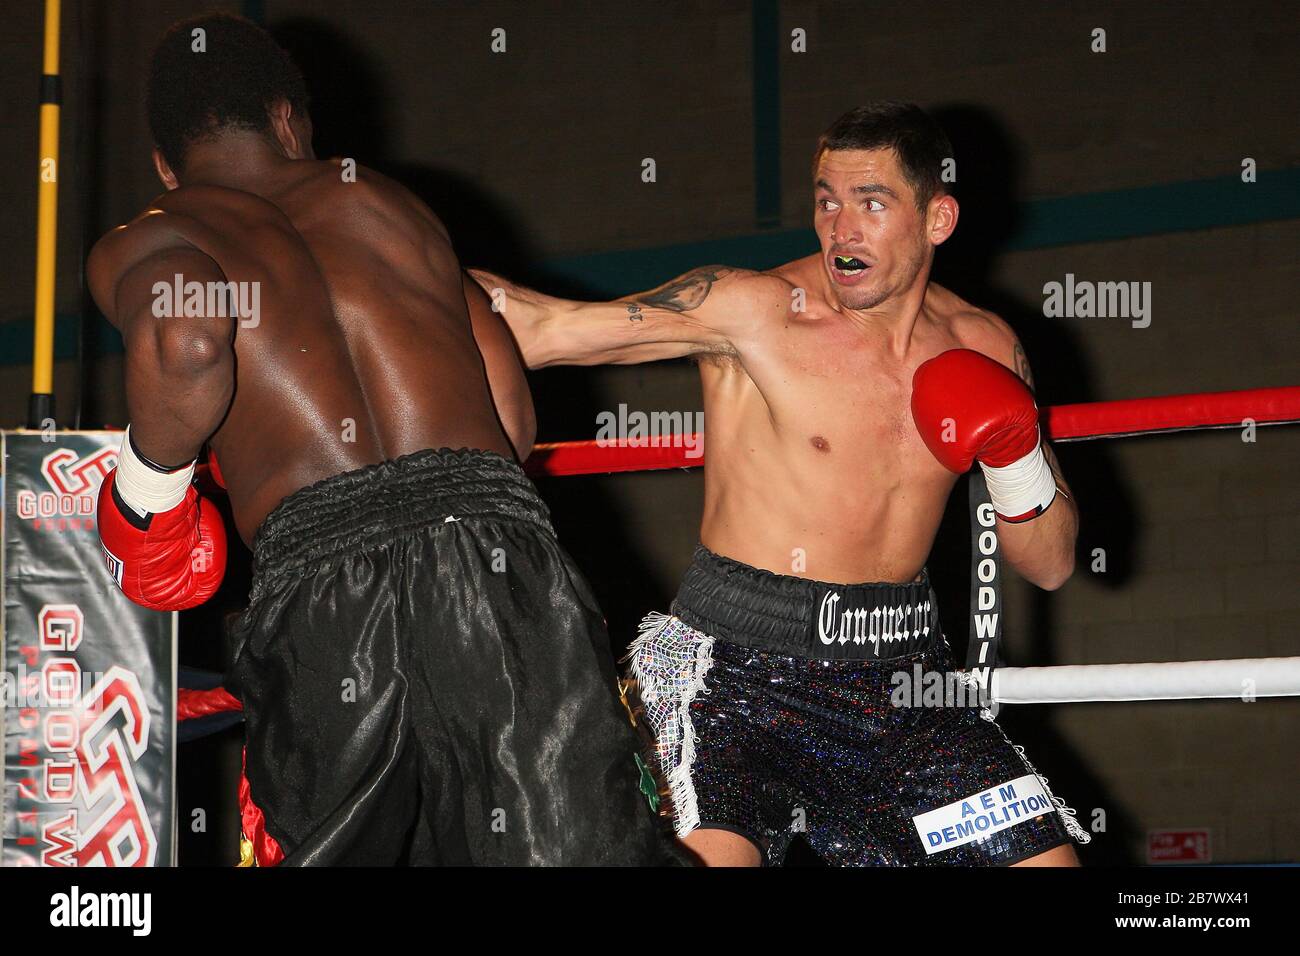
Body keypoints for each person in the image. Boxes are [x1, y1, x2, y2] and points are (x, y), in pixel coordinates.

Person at [89, 12, 674, 866]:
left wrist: (146, 498)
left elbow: (185, 341)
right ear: (291, 119)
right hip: (498, 553)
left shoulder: (149, 232)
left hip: (330, 593)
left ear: (164, 165)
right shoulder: (388, 203)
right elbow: (512, 416)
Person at [475, 102, 1088, 866]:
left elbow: (1053, 562)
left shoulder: (988, 346)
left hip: (906, 685)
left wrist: (1015, 447)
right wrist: (400, 264)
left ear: (939, 217)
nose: (842, 229)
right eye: (827, 202)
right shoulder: (751, 310)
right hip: (734, 676)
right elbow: (540, 328)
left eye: (872, 203)